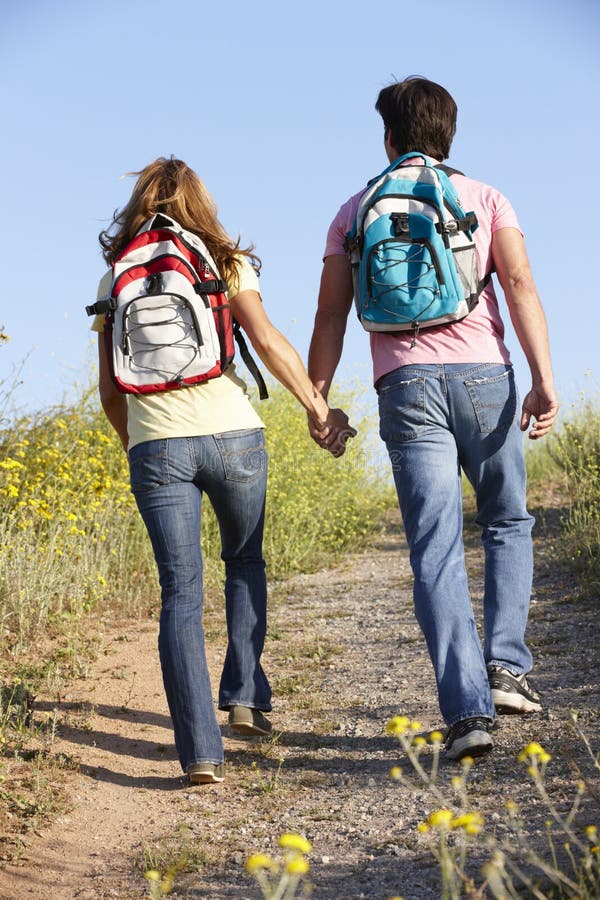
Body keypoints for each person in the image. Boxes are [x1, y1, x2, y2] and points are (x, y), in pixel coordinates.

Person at [307, 77, 559, 761]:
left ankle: (466, 713)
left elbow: (331, 316)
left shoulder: (356, 209)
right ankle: (507, 666)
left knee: (436, 546)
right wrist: (542, 377)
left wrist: (319, 397)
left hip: (405, 383)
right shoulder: (485, 197)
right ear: (451, 134)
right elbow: (521, 283)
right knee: (506, 520)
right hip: (486, 378)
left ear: (388, 137)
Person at [93, 157, 354, 784]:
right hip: (234, 432)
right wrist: (318, 409)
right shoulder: (223, 261)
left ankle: (200, 756)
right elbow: (264, 339)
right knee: (245, 559)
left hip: (158, 446)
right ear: (201, 203)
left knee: (180, 594)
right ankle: (243, 696)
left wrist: (142, 444)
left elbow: (109, 389)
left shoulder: (115, 276)